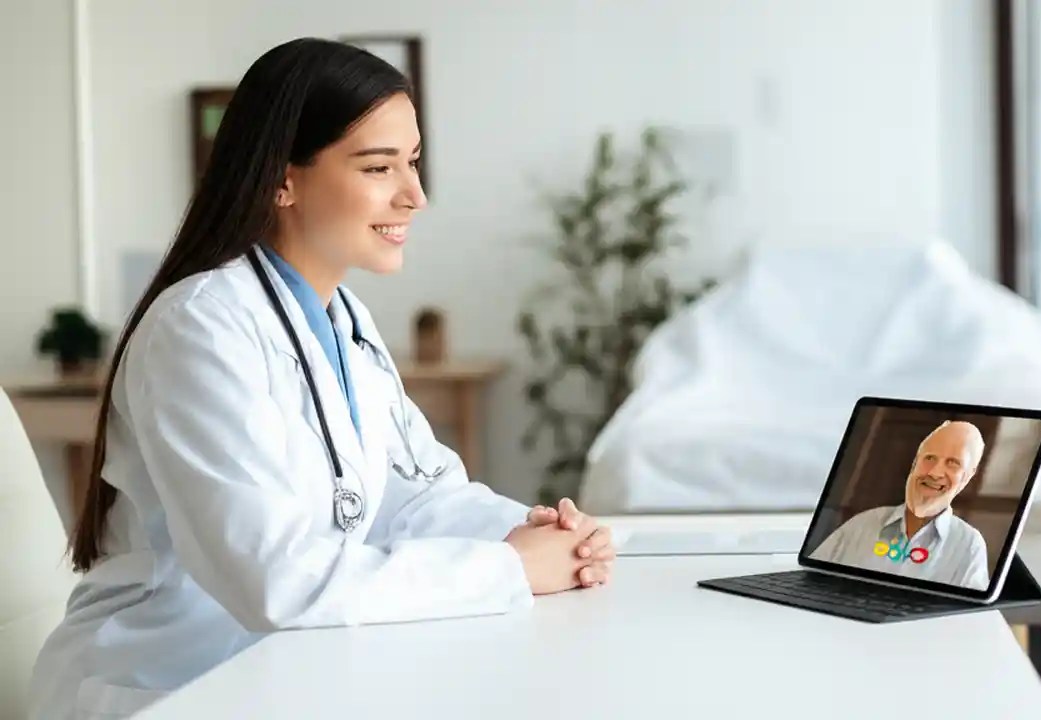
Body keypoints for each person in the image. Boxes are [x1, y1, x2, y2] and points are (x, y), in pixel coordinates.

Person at [27, 37, 615, 720]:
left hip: (286, 668)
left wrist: (542, 534)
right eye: (378, 167)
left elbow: (419, 496)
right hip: (168, 684)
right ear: (282, 179)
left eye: (413, 162)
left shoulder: (343, 321)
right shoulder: (198, 328)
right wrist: (509, 568)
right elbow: (275, 581)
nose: (415, 195)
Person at [809, 420, 989, 590]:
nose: (935, 472)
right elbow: (810, 579)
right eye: (930, 458)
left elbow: (969, 611)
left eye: (953, 463)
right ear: (914, 463)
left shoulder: (969, 545)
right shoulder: (861, 524)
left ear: (967, 477)